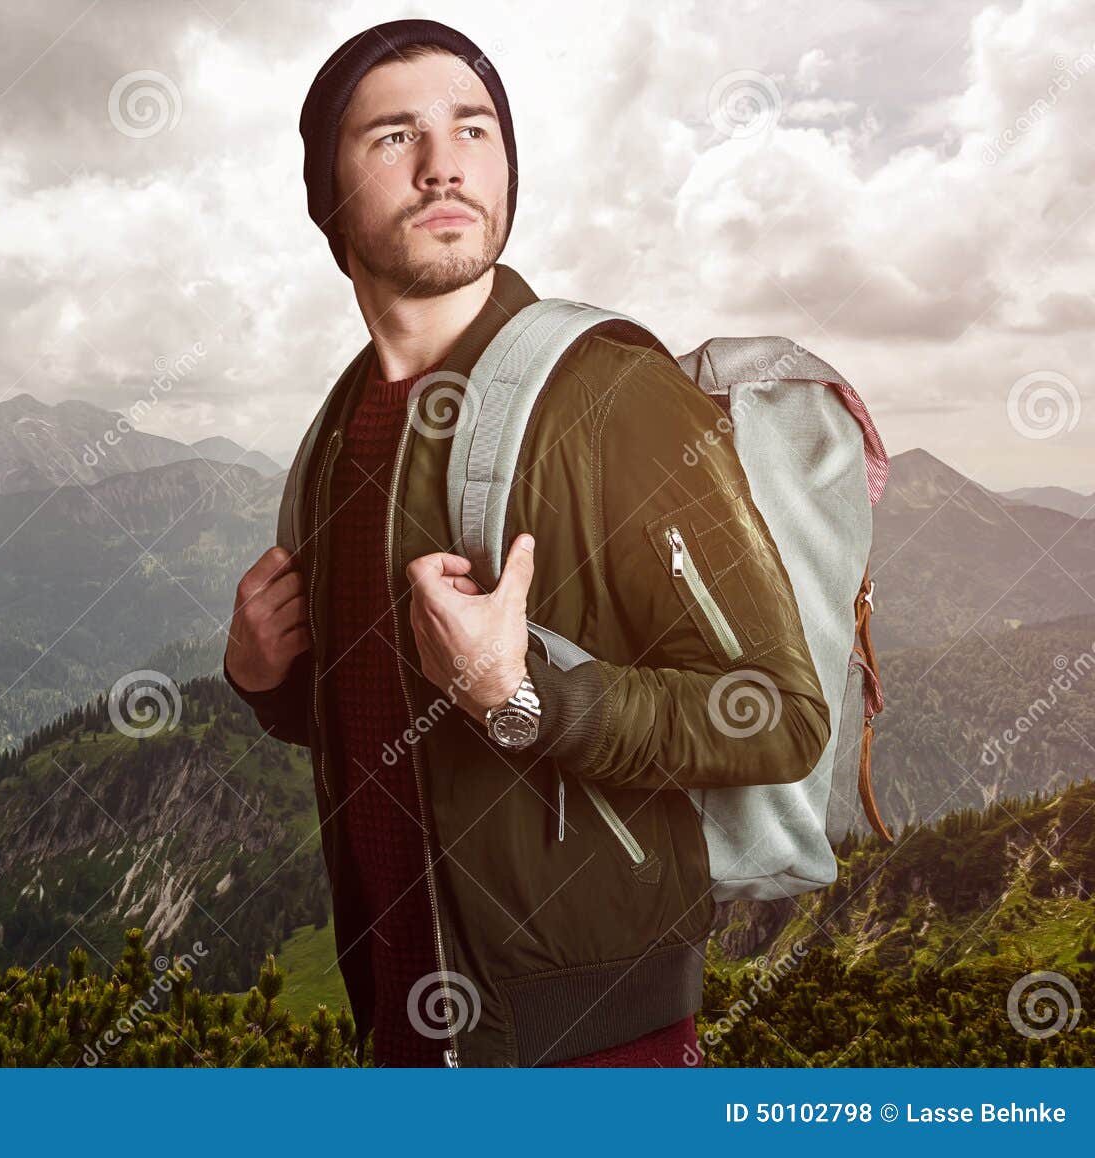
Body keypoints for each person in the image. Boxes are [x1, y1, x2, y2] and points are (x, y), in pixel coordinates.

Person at [222, 18, 829, 1067]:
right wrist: (267, 682)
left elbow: (778, 714)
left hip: (594, 1040)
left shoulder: (613, 398)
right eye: (391, 137)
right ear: (327, 200)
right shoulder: (341, 429)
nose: (443, 163)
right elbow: (388, 723)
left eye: (474, 129)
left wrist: (524, 695)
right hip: (406, 1015)